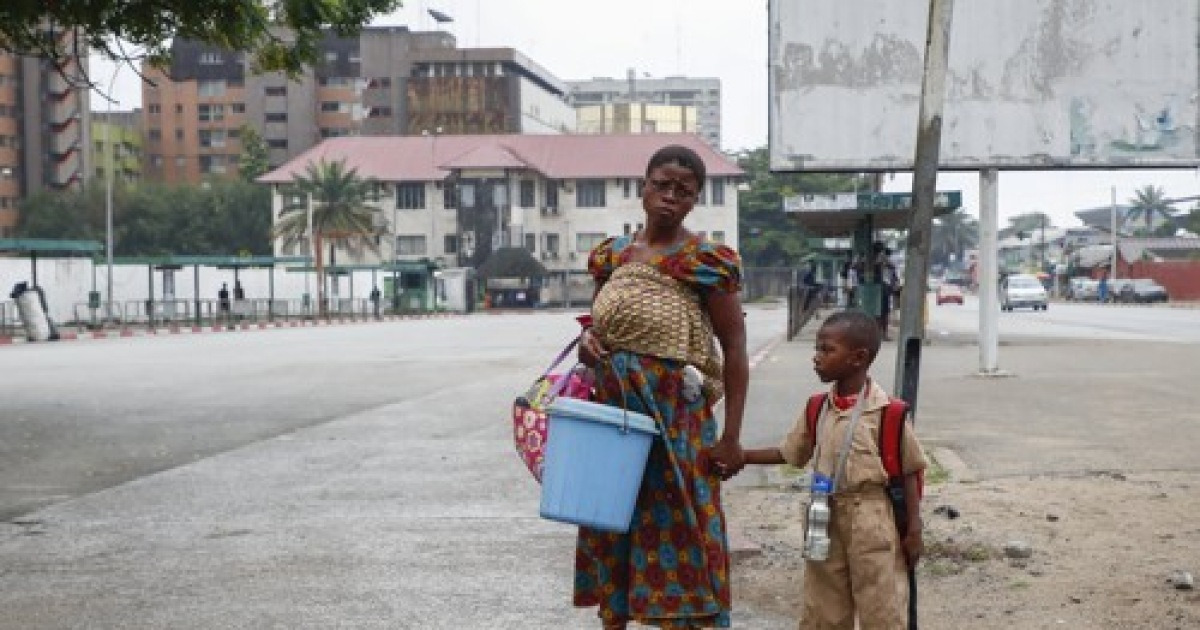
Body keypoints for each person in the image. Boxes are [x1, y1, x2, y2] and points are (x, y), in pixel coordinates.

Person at [576, 144, 749, 629]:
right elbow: (597, 326)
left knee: (685, 521)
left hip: (678, 417)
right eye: (662, 185)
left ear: (694, 201)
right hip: (614, 411)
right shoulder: (612, 257)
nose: (671, 196)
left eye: (684, 191)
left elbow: (734, 348)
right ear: (643, 187)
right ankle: (617, 619)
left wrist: (731, 437)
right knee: (614, 517)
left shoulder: (705, 261)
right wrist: (587, 344)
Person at [739, 309, 927, 629]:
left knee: (881, 605)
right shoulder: (817, 408)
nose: (816, 358)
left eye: (827, 350)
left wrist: (914, 529)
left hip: (872, 517)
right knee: (823, 607)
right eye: (817, 349)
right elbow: (790, 453)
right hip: (823, 516)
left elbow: (910, 472)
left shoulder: (888, 413)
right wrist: (741, 457)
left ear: (858, 358)